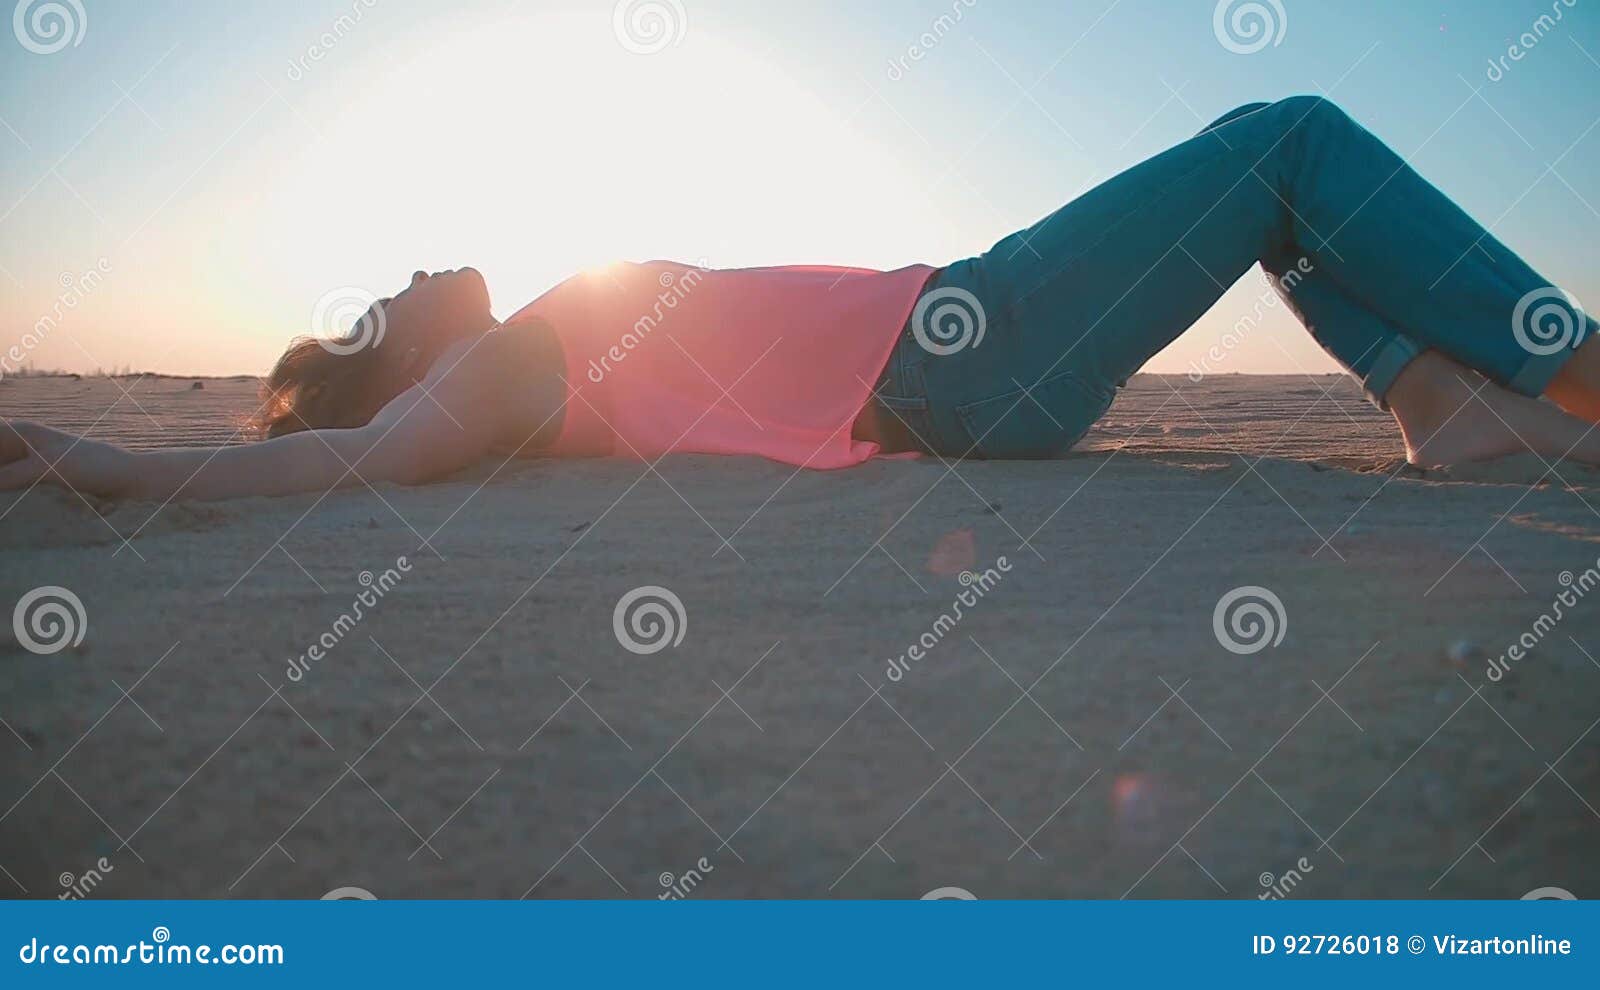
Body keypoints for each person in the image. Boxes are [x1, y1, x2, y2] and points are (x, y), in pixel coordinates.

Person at [4, 96, 1598, 502]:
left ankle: (1440, 406)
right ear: (402, 358)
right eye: (381, 302)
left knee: (1272, 208)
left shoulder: (525, 349)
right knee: (1289, 142)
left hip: (967, 340)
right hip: (962, 355)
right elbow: (335, 460)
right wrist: (121, 463)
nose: (415, 274)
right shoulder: (492, 369)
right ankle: (1576, 369)